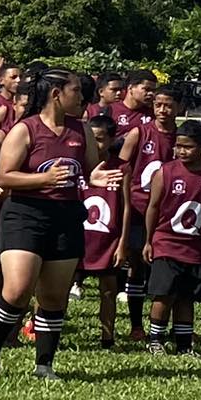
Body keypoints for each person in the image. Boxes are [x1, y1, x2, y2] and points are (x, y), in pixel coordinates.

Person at [0, 70, 87, 381]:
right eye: (76, 90)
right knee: (16, 291)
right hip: (25, 214)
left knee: (55, 296)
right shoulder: (24, 129)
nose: (81, 97)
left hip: (67, 216)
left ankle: (44, 365)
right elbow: (4, 176)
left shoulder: (81, 130)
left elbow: (90, 170)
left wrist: (98, 178)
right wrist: (44, 179)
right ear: (56, 94)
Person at [141, 119, 201, 356]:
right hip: (167, 243)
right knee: (164, 294)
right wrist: (149, 240)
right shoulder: (166, 172)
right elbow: (153, 207)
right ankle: (155, 338)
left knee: (187, 298)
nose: (181, 151)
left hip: (195, 248)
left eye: (187, 147)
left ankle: (183, 344)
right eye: (178, 146)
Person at [118, 83, 179, 344]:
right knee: (137, 266)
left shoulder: (184, 137)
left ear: (179, 107)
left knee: (168, 270)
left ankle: (170, 326)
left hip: (171, 213)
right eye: (158, 105)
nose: (162, 110)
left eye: (168, 105)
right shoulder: (139, 133)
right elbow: (120, 169)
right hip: (139, 209)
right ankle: (136, 325)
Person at [79, 116, 132, 348]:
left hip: (107, 240)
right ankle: (41, 327)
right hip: (77, 237)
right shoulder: (77, 163)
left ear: (111, 140)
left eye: (100, 140)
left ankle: (107, 337)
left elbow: (127, 207)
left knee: (109, 290)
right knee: (55, 287)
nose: (95, 145)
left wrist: (122, 243)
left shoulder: (121, 167)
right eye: (91, 139)